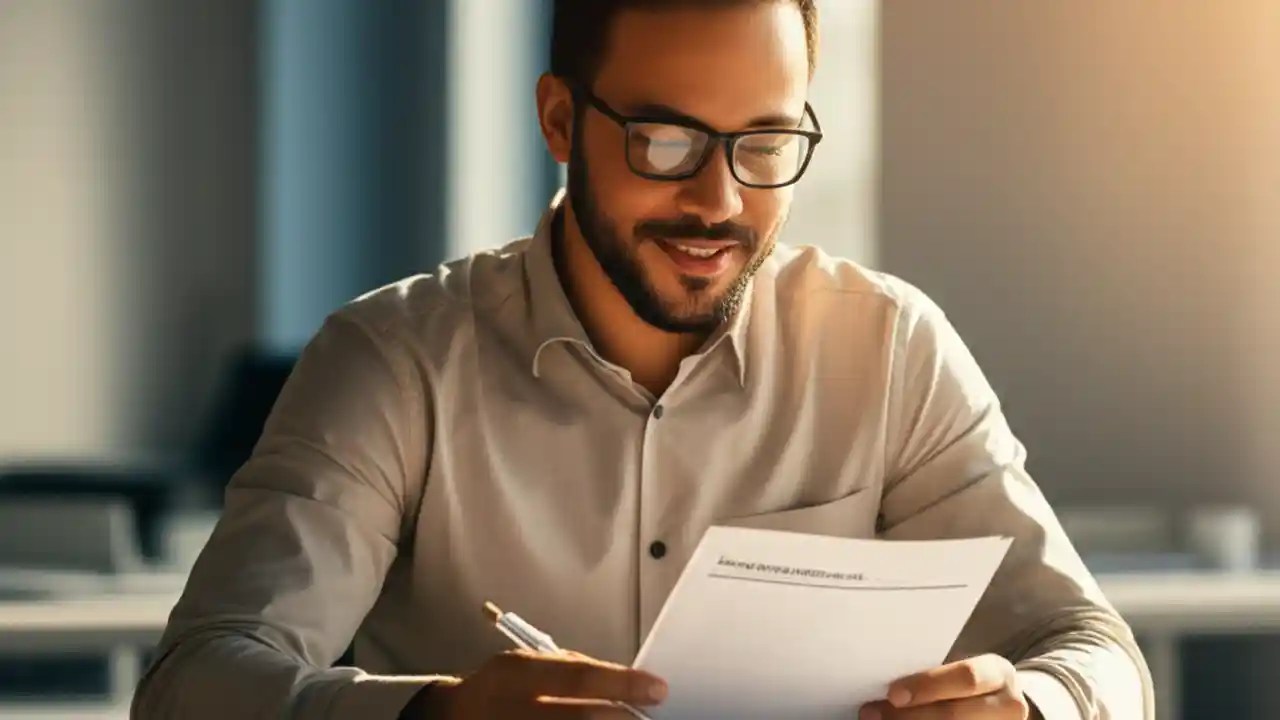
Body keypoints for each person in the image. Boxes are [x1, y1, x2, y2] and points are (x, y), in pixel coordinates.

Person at [132, 1, 1153, 718]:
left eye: (762, 143)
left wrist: (1027, 708)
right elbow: (194, 683)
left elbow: (1098, 656)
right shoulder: (395, 360)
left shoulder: (887, 348)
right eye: (666, 140)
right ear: (559, 122)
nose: (717, 200)